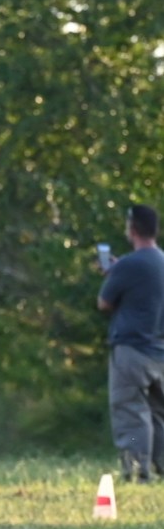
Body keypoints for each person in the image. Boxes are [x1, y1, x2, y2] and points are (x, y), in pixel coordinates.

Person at [98, 203, 164, 483]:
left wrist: (114, 271)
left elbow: (104, 303)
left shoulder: (128, 264)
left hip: (132, 351)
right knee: (158, 415)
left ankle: (137, 469)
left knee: (130, 412)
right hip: (160, 351)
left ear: (132, 229)